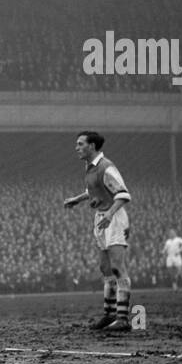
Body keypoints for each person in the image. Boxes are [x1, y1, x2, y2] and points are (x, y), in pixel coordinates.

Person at [64, 131, 132, 332]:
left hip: (114, 218)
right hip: (101, 217)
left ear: (92, 146)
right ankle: (109, 314)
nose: (76, 147)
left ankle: (123, 318)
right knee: (105, 268)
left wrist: (111, 214)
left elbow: (123, 194)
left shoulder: (106, 167)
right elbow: (93, 190)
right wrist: (77, 199)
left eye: (80, 144)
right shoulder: (90, 168)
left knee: (118, 267)